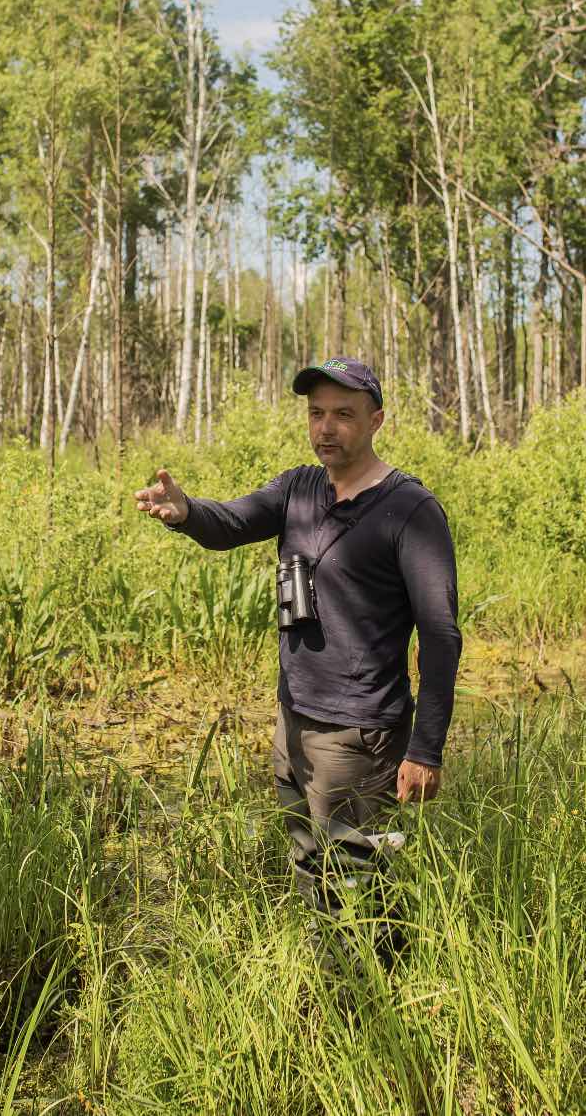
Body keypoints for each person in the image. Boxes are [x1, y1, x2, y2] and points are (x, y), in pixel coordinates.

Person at [133, 357, 462, 916]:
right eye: (316, 414)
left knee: (358, 884)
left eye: (343, 415)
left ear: (376, 420)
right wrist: (186, 512)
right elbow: (232, 522)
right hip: (294, 717)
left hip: (359, 735)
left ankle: (368, 990)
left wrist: (425, 748)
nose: (325, 428)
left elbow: (440, 634)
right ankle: (330, 985)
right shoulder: (299, 488)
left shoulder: (411, 510)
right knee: (309, 866)